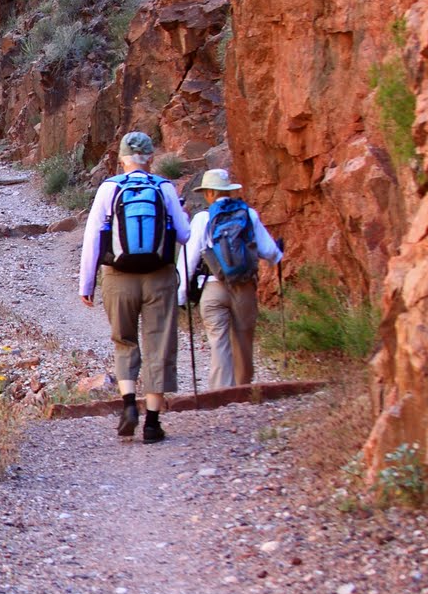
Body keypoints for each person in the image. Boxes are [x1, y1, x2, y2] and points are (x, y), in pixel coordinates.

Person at [78, 131, 191, 443]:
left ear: (122, 159)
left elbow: (92, 239)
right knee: (159, 344)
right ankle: (153, 423)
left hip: (117, 275)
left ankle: (129, 405)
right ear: (151, 158)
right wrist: (184, 217)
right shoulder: (164, 187)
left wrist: (86, 283)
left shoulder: (109, 189)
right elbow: (184, 236)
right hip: (159, 275)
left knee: (124, 341)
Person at [179, 168, 284, 390]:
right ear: (229, 191)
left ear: (208, 193)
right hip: (243, 287)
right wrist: (278, 254)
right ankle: (243, 390)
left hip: (212, 288)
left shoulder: (202, 219)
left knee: (218, 342)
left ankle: (220, 394)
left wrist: (180, 295)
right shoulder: (249, 214)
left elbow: (188, 259)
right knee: (243, 340)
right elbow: (270, 252)